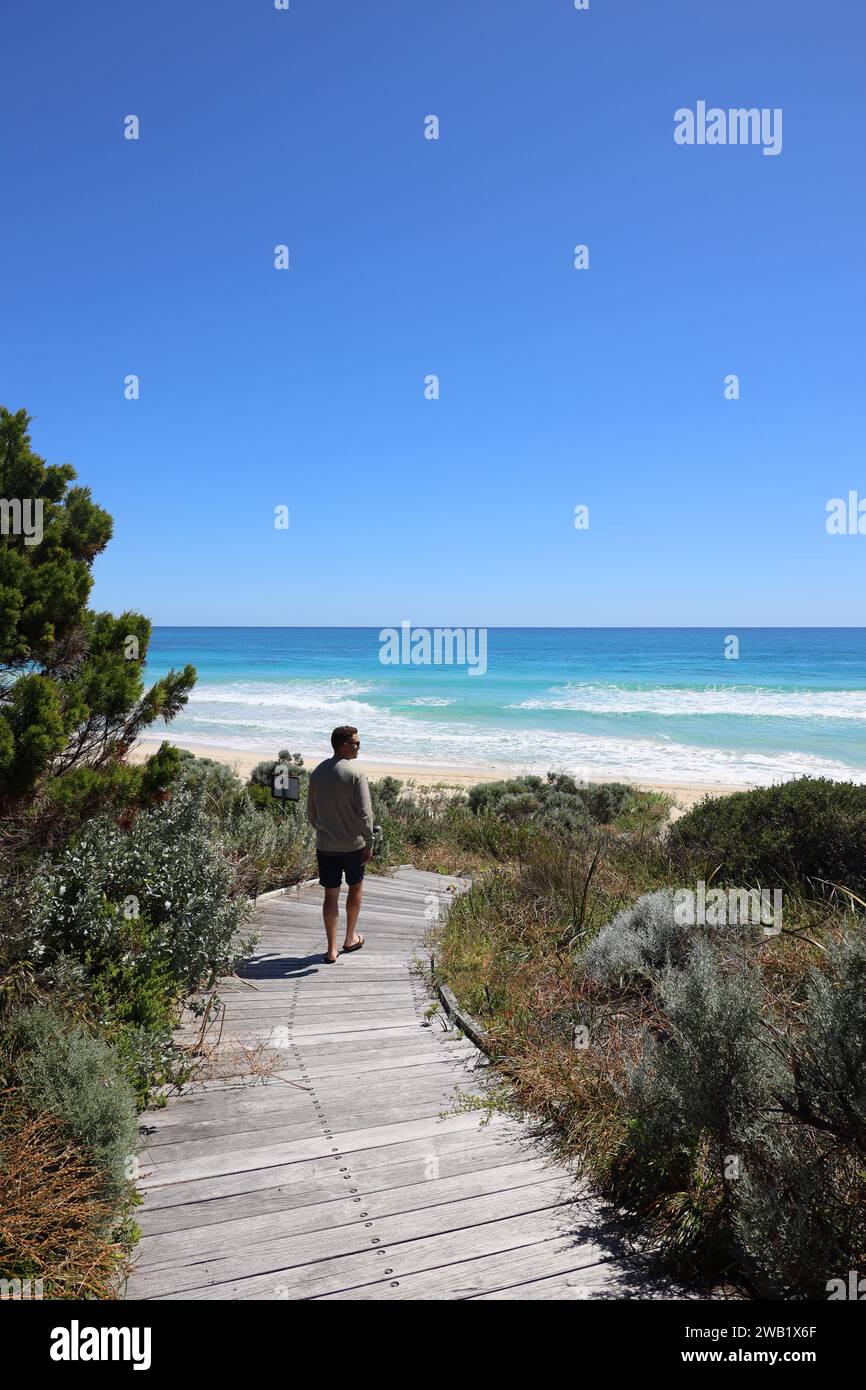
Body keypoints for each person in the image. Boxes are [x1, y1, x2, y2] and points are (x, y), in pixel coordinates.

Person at [306, 725, 374, 964]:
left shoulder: (317, 772)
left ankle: (331, 949)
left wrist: (325, 830)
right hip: (353, 845)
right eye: (356, 743)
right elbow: (365, 814)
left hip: (326, 845)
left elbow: (311, 814)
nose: (358, 747)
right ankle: (349, 938)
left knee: (330, 895)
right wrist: (369, 841)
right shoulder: (356, 773)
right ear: (344, 745)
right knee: (355, 888)